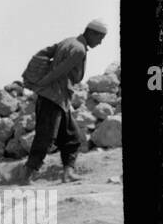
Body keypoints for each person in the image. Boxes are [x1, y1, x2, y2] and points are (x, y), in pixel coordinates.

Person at [22, 19, 108, 184]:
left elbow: (44, 53)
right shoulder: (79, 49)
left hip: (60, 98)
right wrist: (40, 83)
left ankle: (67, 174)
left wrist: (36, 75)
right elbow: (58, 72)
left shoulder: (69, 41)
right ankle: (26, 176)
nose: (100, 42)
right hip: (52, 97)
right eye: (100, 38)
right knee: (45, 137)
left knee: (72, 137)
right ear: (92, 33)